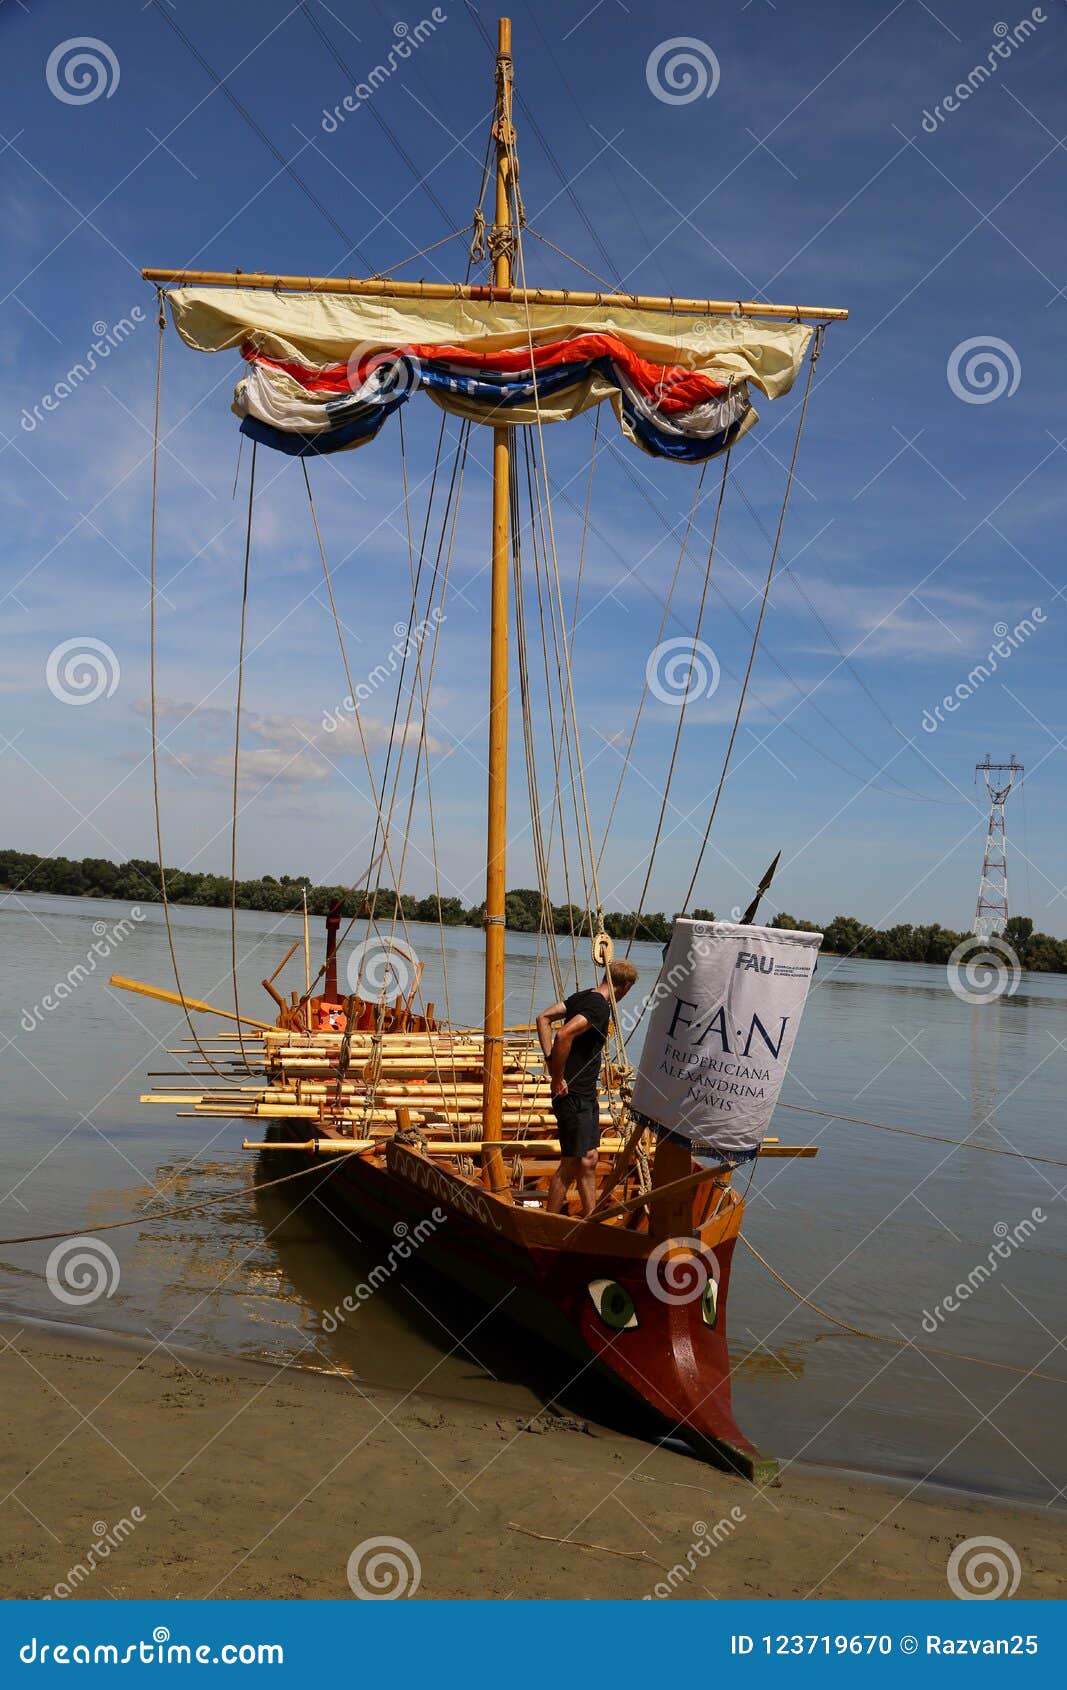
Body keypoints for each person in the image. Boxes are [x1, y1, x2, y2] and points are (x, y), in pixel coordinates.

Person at [536, 959, 639, 1217]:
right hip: (572, 1095)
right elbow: (563, 1034)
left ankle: (591, 1218)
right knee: (571, 1163)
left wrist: (549, 1057)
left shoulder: (584, 997)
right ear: (624, 987)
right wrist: (557, 1075)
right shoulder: (598, 1008)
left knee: (590, 1159)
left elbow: (544, 1018)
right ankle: (550, 1220)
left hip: (586, 1095)